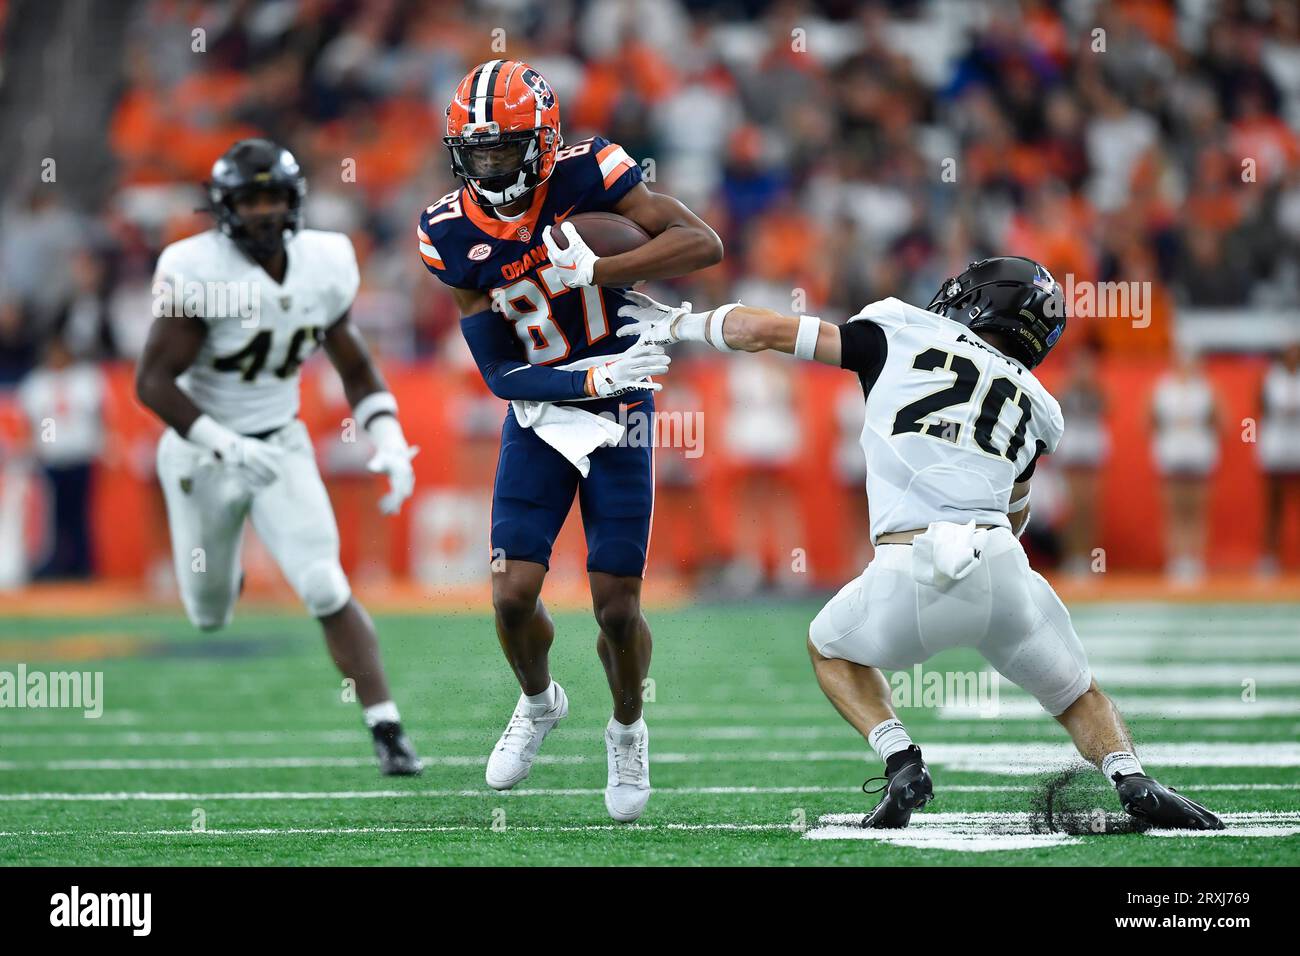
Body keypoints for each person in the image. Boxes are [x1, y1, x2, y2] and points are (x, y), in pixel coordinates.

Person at [619, 256, 1223, 831]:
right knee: (1077, 694)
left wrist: (680, 322)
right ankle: (1130, 773)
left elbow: (765, 330)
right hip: (1000, 565)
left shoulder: (897, 330)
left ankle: (902, 759)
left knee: (829, 648)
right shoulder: (1041, 406)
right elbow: (1016, 511)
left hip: (908, 567)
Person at [418, 59, 722, 822]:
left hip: (624, 410)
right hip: (547, 410)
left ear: (544, 141)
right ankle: (539, 700)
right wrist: (590, 380)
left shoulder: (595, 174)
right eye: (476, 152)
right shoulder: (449, 234)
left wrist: (603, 268)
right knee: (512, 595)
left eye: (503, 149)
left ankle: (626, 727)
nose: (488, 167)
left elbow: (702, 245)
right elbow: (499, 371)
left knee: (617, 607)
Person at [135, 139, 422, 775]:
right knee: (208, 612)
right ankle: (224, 559)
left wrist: (390, 437)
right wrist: (224, 442)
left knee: (324, 582)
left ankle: (387, 728)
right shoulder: (193, 267)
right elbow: (151, 382)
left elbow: (354, 364)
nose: (263, 212)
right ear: (225, 207)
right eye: (250, 199)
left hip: (280, 444)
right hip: (202, 451)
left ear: (294, 202)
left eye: (272, 198)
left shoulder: (325, 261)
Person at [1150, 350, 1219, 584]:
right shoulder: (1164, 388)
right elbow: (1150, 419)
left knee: (1196, 510)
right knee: (1175, 510)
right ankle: (1176, 560)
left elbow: (1220, 420)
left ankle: (1195, 560)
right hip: (1173, 455)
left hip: (1198, 455)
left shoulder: (1206, 389)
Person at [1257, 343, 1300, 574]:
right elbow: (1260, 410)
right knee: (1274, 507)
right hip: (1276, 449)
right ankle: (1270, 556)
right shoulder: (1271, 379)